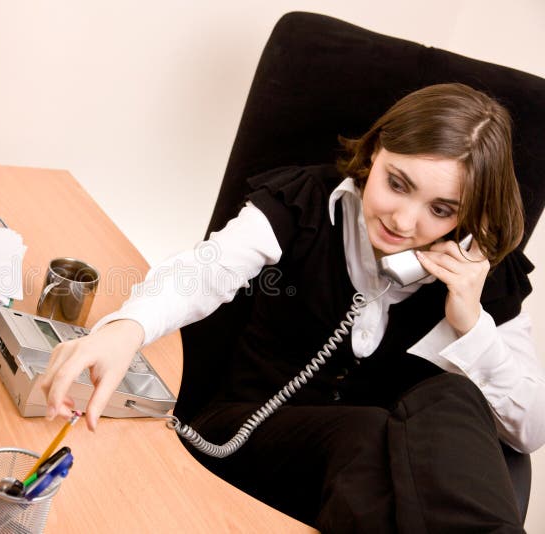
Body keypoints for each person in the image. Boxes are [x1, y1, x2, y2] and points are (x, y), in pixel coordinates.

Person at [40, 83, 545, 532]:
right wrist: (125, 329)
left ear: (467, 218)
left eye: (442, 210)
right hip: (242, 439)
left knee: (450, 401)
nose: (405, 221)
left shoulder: (481, 273)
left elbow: (530, 430)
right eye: (397, 183)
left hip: (368, 498)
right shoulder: (301, 202)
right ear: (375, 153)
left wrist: (470, 324)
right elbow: (205, 269)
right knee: (375, 431)